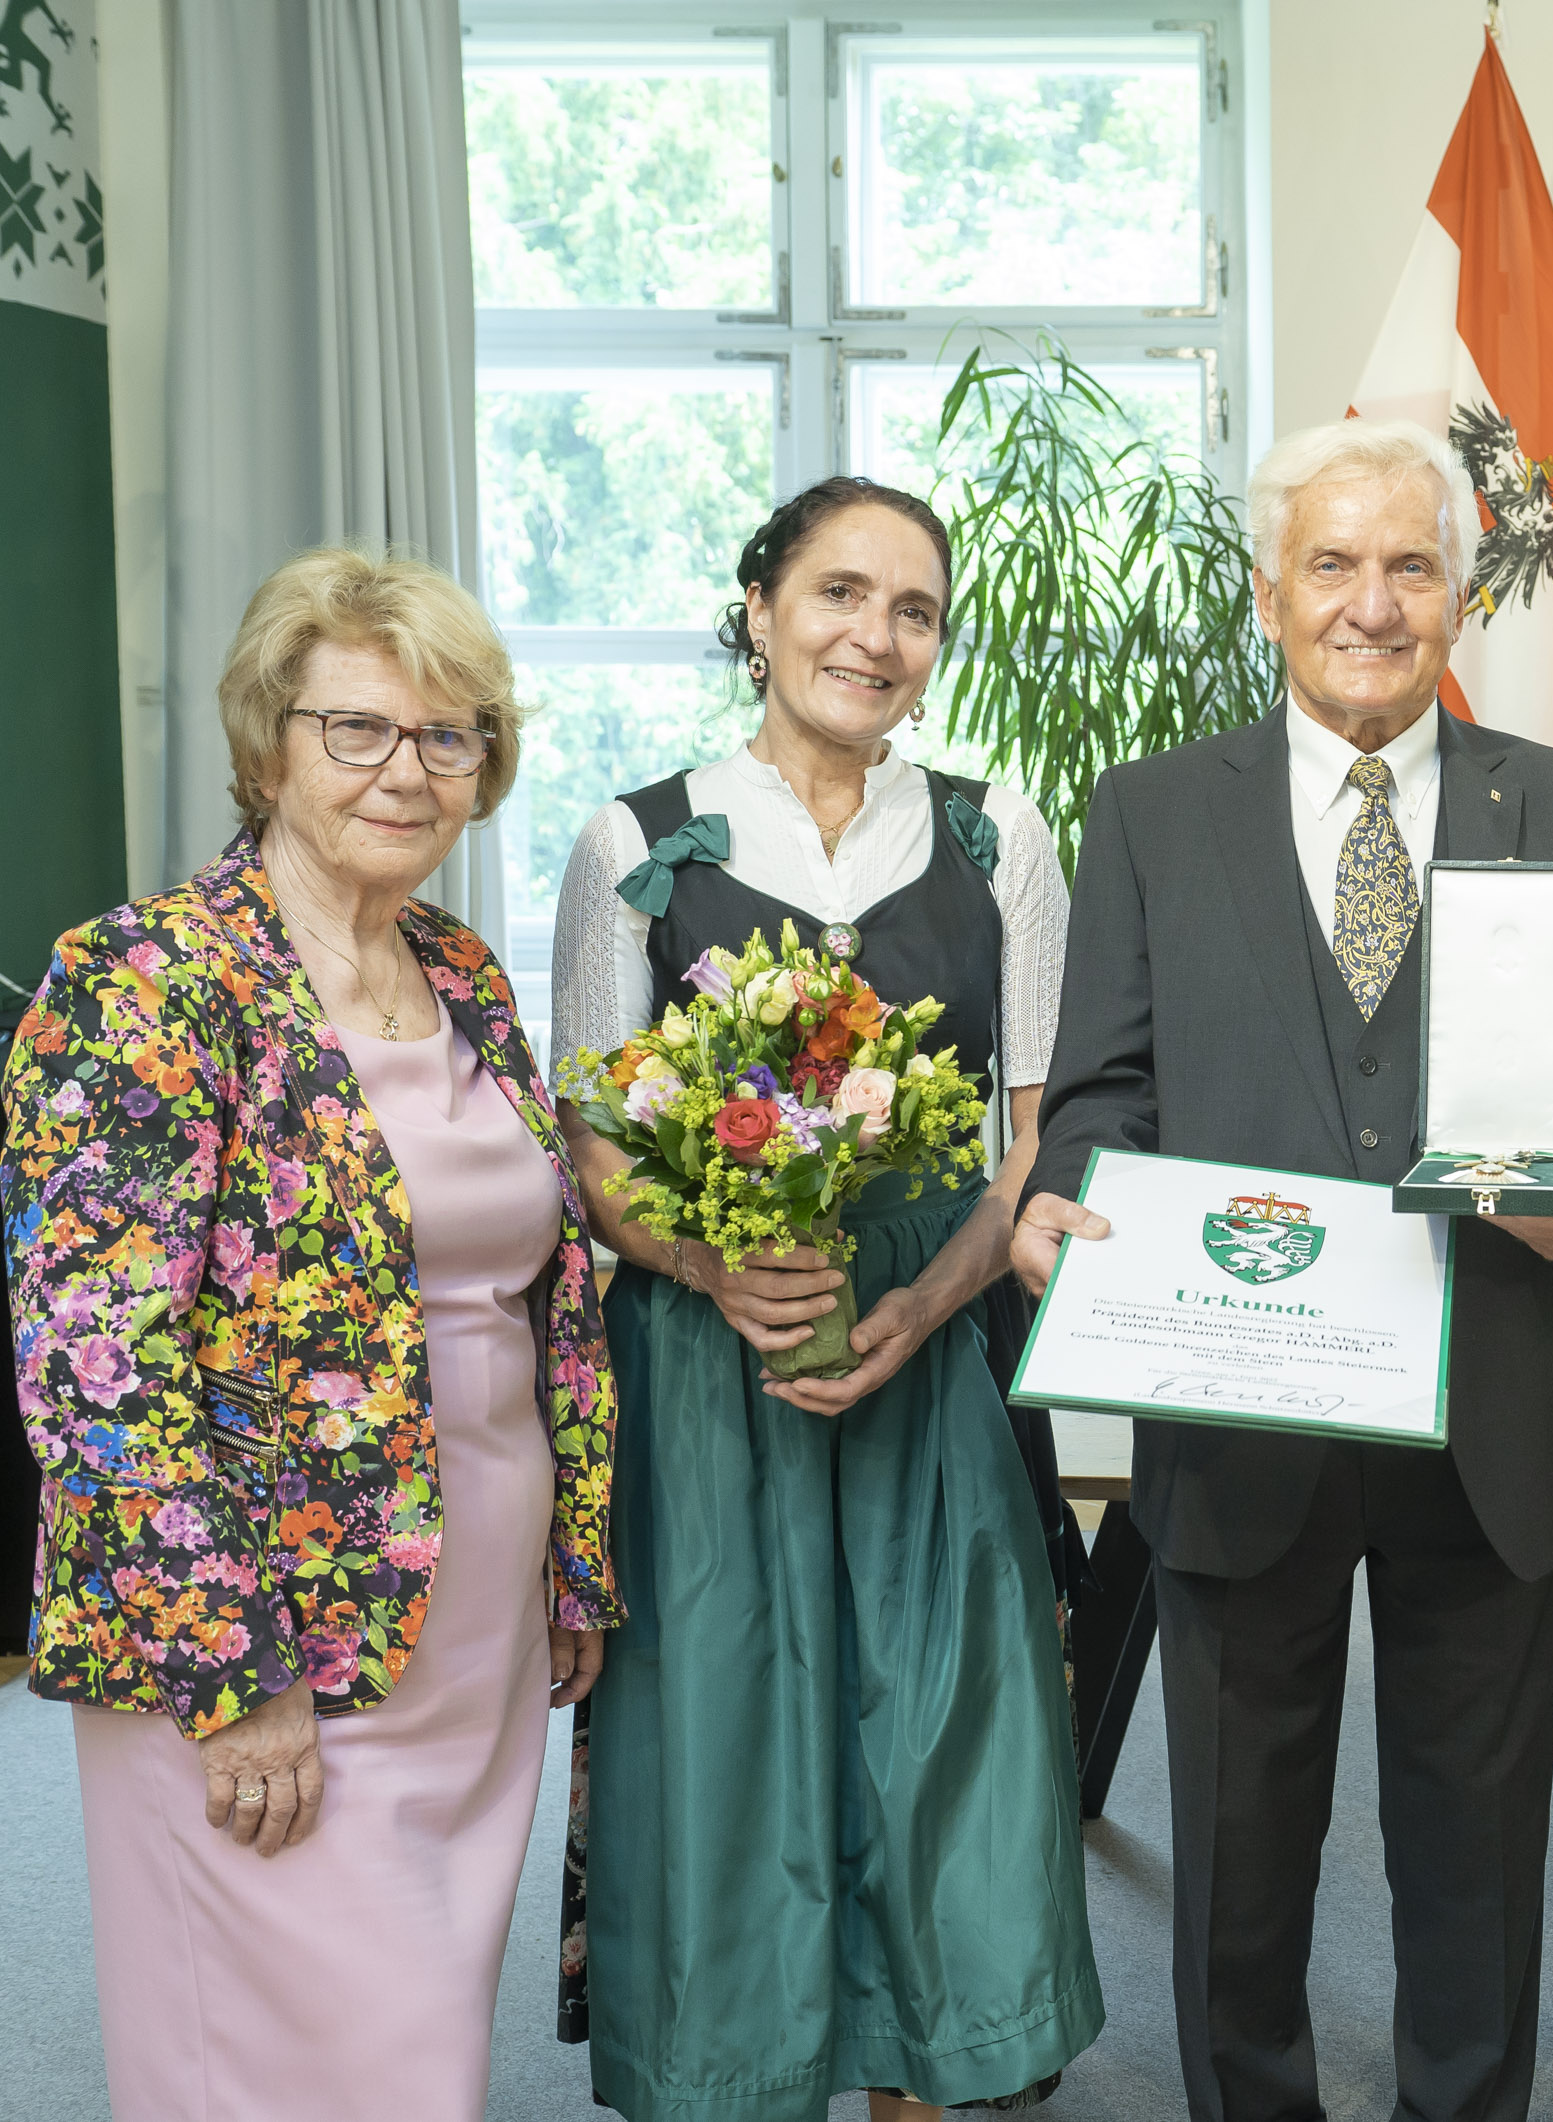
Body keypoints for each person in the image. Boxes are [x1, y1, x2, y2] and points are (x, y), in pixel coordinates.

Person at [1013, 417, 1553, 2122]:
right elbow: (1099, 1093)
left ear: (1460, 595)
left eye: (1410, 565)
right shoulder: (1156, 811)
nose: (1370, 602)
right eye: (1333, 563)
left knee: (1473, 1857)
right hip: (1242, 1423)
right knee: (1237, 1856)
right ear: (1267, 593)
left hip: (1492, 1416)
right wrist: (1073, 1213)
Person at [1, 547, 623, 2122]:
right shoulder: (144, 979)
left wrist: (573, 1560)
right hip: (263, 1625)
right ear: (268, 737)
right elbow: (97, 1377)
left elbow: (536, 1299)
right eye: (357, 728)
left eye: (448, 735)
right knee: (304, 2056)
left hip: (471, 1611)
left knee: (422, 2039)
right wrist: (230, 1670)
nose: (404, 771)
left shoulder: (467, 974)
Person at [547, 476, 1100, 2121]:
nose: (875, 633)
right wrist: (717, 1261)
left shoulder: (1002, 839)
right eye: (840, 593)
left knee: (948, 1729)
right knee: (725, 1726)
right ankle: (740, 2065)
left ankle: (930, 2076)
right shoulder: (634, 843)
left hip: (934, 1354)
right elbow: (590, 1142)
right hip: (713, 1369)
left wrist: (922, 1311)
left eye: (913, 610)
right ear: (762, 605)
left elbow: (1035, 1137)